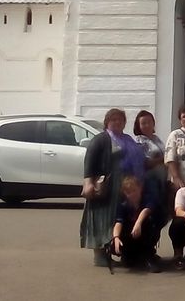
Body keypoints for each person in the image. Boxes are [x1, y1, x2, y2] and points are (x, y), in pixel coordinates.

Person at [80, 108, 145, 266]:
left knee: (116, 218)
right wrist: (88, 182)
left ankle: (118, 250)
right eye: (113, 119)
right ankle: (100, 255)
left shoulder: (128, 139)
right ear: (107, 122)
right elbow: (90, 161)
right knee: (101, 218)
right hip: (106, 187)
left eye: (120, 120)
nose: (117, 122)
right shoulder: (101, 139)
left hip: (123, 187)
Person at [111, 175, 162, 273]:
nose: (132, 194)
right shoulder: (123, 205)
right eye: (128, 192)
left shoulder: (148, 199)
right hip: (131, 235)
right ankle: (130, 255)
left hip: (146, 232)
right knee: (120, 251)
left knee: (148, 221)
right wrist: (116, 238)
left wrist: (138, 223)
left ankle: (149, 256)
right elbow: (118, 222)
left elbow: (146, 210)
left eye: (134, 190)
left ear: (140, 188)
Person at [133, 110, 168, 221]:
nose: (147, 125)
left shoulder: (156, 139)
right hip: (150, 181)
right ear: (138, 126)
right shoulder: (139, 141)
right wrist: (164, 159)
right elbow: (145, 163)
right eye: (143, 123)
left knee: (162, 212)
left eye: (149, 122)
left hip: (161, 180)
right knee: (152, 212)